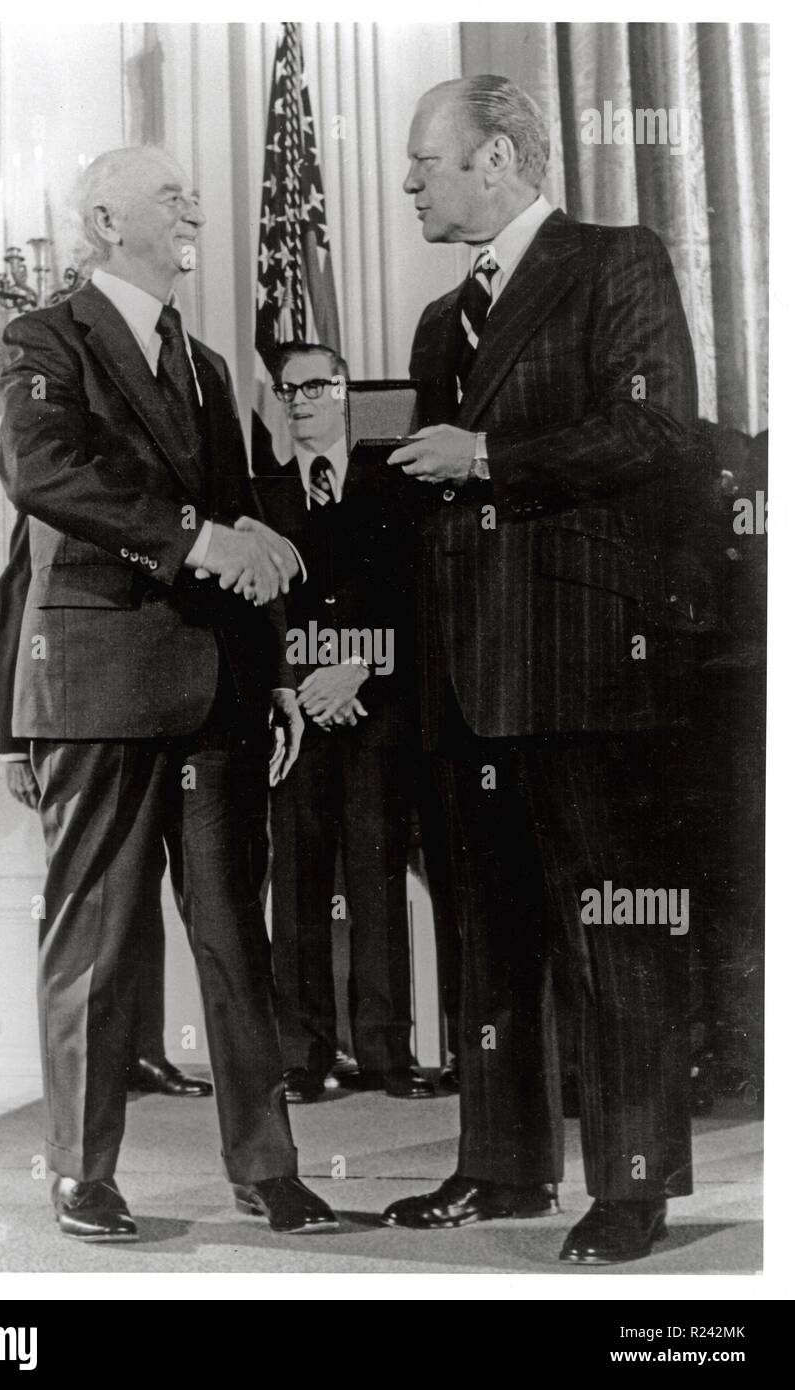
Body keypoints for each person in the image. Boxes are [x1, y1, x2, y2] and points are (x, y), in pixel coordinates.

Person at [379, 76, 698, 1264]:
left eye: (424, 161)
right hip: (466, 673)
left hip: (575, 659)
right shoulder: (434, 322)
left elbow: (658, 429)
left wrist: (492, 454)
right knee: (490, 934)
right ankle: (503, 1166)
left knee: (610, 932)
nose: (408, 182)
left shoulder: (616, 260)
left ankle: (632, 1185)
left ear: (500, 157)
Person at [0, 144, 338, 1240]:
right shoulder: (45, 337)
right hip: (99, 682)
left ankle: (269, 1169)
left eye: (193, 193)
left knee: (240, 934)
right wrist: (195, 538)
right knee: (97, 939)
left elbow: (246, 524)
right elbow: (43, 471)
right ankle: (80, 1175)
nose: (195, 206)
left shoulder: (204, 365)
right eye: (171, 195)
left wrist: (278, 668)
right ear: (104, 220)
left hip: (217, 689)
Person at [254, 343, 433, 1103]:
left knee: (374, 881)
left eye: (315, 387)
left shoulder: (392, 485)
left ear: (345, 395)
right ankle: (303, 1057)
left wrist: (359, 666)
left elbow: (418, 591)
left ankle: (388, 1056)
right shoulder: (256, 494)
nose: (298, 401)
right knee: (296, 888)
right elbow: (246, 606)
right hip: (292, 718)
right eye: (286, 390)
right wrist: (292, 683)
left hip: (373, 708)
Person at [0, 509, 213, 1099]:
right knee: (90, 910)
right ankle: (94, 1071)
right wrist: (12, 747)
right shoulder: (51, 492)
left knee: (143, 899)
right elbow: (20, 599)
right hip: (80, 714)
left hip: (164, 703)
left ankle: (144, 1052)